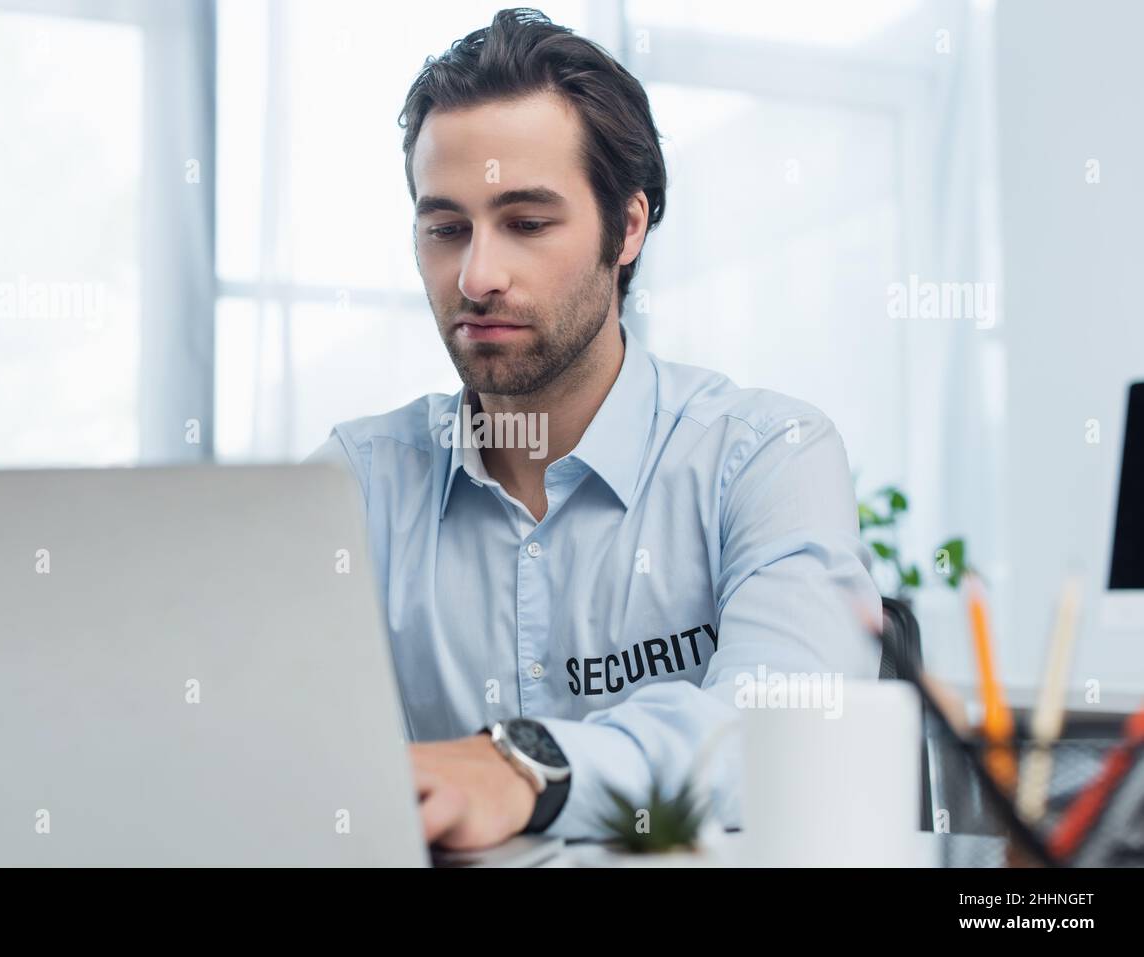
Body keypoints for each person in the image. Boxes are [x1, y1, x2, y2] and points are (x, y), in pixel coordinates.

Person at [308, 8, 880, 850]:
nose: (477, 275)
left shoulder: (765, 456)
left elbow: (784, 737)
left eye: (528, 223)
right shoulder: (354, 483)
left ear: (630, 226)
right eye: (446, 229)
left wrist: (525, 767)